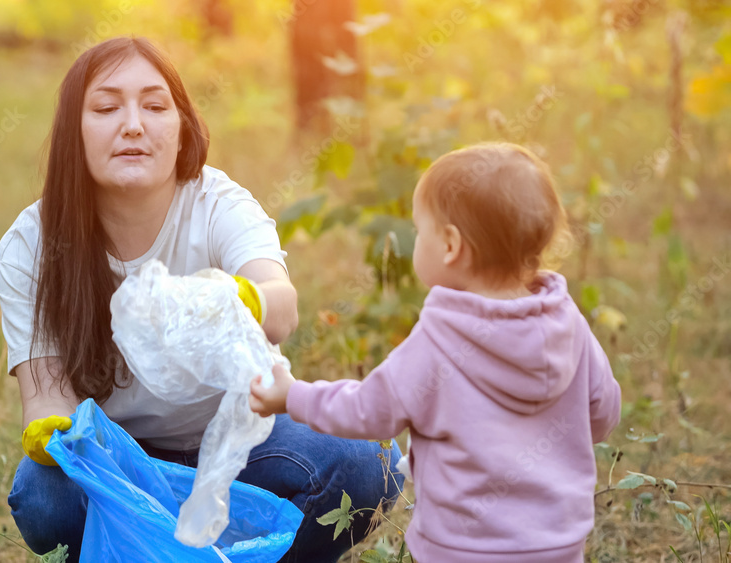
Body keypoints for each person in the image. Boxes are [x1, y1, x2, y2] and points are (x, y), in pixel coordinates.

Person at [0, 36, 403, 562]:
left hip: (245, 442)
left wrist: (241, 297)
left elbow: (283, 307)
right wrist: (55, 437)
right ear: (74, 131)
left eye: (155, 105)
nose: (134, 124)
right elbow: (46, 394)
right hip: (125, 460)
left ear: (182, 126)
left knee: (370, 460)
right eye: (106, 107)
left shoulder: (218, 203)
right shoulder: (32, 242)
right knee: (43, 495)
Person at [250, 142, 623, 563]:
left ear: (449, 245)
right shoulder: (567, 322)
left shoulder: (442, 338)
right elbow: (604, 411)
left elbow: (368, 410)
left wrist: (292, 395)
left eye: (419, 230)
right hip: (559, 543)